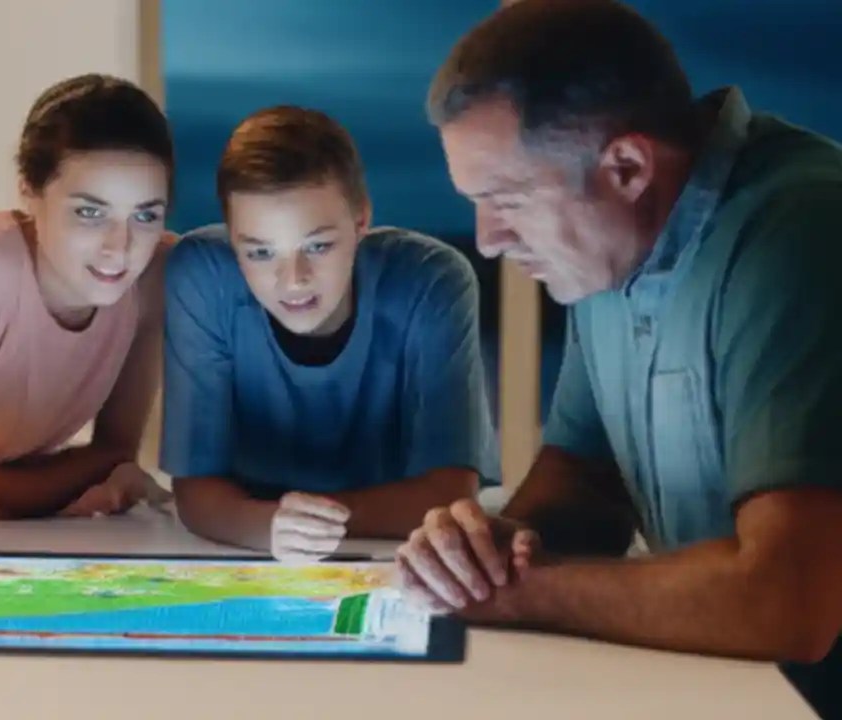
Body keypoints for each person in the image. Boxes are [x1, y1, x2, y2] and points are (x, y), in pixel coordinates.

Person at [393, 1, 842, 715]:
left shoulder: (799, 236)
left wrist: (521, 594)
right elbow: (588, 485)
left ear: (627, 167)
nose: (485, 240)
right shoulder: (611, 256)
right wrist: (478, 547)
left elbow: (788, 602)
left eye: (505, 199)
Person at [163, 106, 496, 562]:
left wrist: (301, 524)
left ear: (361, 222)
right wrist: (269, 528)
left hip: (394, 559)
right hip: (255, 556)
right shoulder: (202, 276)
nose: (294, 279)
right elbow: (194, 493)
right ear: (233, 239)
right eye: (260, 252)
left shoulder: (430, 282)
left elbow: (451, 494)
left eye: (317, 246)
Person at [0, 74, 173, 521]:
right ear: (28, 191)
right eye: (90, 213)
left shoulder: (155, 272)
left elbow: (113, 455)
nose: (121, 246)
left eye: (145, 215)